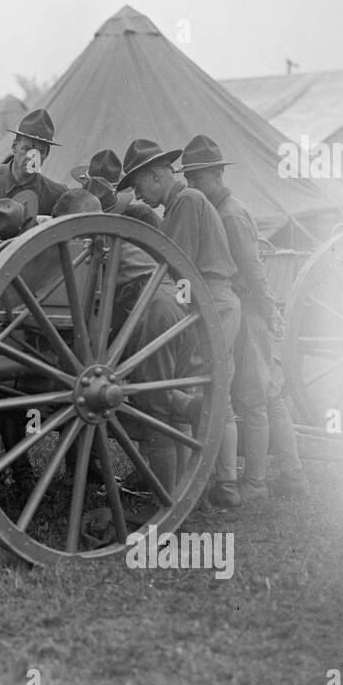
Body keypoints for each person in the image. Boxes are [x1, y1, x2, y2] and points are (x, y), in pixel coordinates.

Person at [118, 137, 243, 508]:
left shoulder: (186, 202)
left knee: (198, 397)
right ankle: (199, 491)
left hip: (212, 303)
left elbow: (175, 266)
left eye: (139, 187)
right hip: (204, 300)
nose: (139, 197)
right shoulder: (180, 204)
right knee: (191, 396)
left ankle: (204, 489)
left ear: (156, 176)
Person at [182, 134, 307, 503]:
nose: (192, 186)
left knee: (256, 396)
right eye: (188, 179)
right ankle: (292, 475)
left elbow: (253, 271)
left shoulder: (230, 214)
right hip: (241, 308)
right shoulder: (217, 209)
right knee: (266, 393)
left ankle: (254, 483)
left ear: (217, 174)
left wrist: (270, 313)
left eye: (198, 178)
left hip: (249, 310)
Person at [0, 109, 68, 216]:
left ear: (47, 154)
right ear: (14, 147)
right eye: (26, 149)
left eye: (40, 152)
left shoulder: (56, 196)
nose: (32, 157)